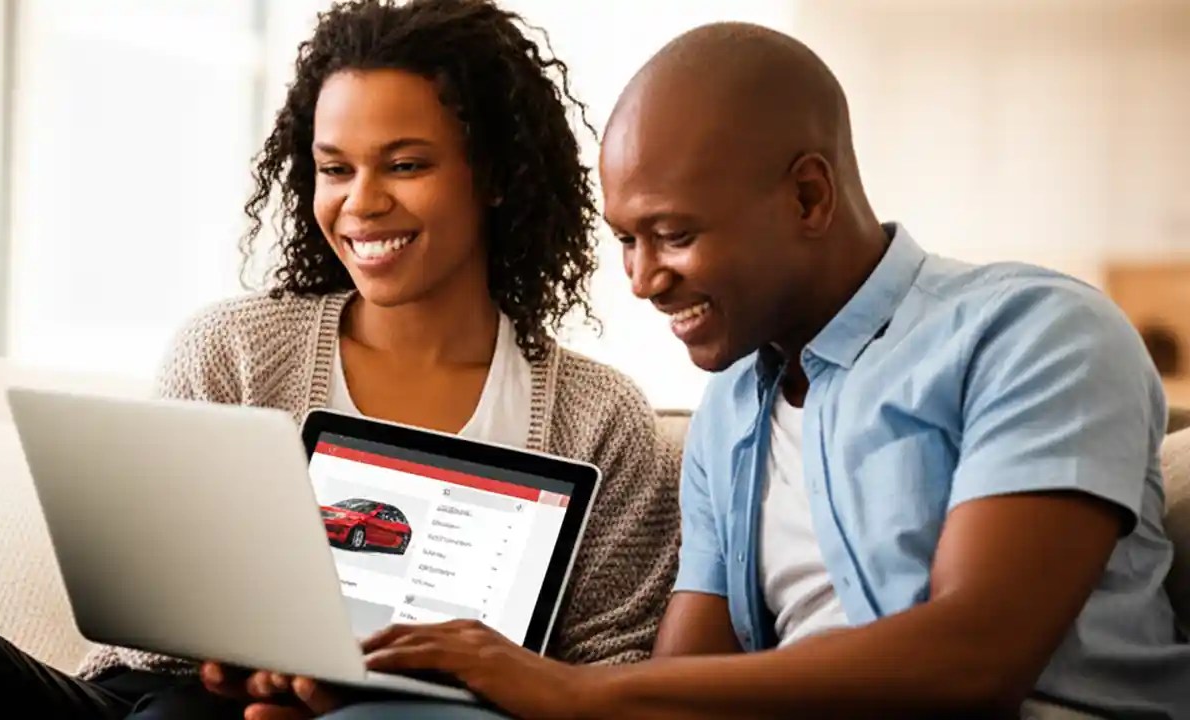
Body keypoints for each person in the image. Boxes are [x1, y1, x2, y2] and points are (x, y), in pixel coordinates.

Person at [278, 20, 1190, 720]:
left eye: (674, 235)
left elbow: (977, 659)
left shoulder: (1033, 333)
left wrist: (570, 692)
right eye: (627, 241)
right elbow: (684, 688)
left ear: (808, 196)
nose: (641, 280)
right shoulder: (729, 411)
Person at [0, 0, 682, 717]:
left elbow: (608, 676)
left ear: (497, 177)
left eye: (406, 165)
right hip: (165, 698)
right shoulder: (233, 352)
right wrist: (239, 657)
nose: (361, 202)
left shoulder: (598, 418)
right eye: (336, 168)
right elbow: (151, 625)